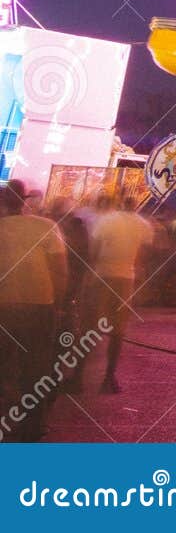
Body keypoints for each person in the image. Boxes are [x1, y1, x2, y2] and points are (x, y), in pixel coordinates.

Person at [0, 184, 67, 440]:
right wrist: (59, 305)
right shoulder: (46, 226)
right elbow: (60, 271)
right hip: (39, 305)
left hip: (4, 305)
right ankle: (33, 425)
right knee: (36, 367)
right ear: (25, 201)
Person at [89, 196, 153, 393]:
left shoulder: (106, 220)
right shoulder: (142, 224)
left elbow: (94, 249)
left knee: (88, 324)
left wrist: (93, 269)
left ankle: (76, 377)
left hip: (102, 275)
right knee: (118, 329)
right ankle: (109, 378)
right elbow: (143, 254)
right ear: (136, 206)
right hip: (125, 277)